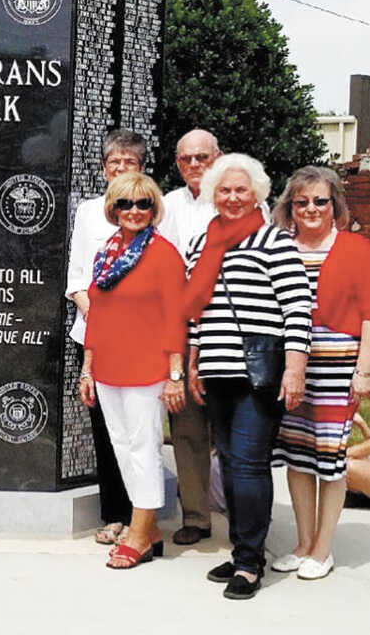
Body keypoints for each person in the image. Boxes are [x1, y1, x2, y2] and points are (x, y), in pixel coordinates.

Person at [185, 153, 311, 600]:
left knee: (248, 465)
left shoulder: (274, 241)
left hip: (259, 373)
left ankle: (251, 563)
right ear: (212, 194)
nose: (233, 197)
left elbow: (298, 306)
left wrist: (295, 368)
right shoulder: (202, 244)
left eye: (241, 190)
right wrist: (194, 362)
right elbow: (195, 313)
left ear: (256, 193)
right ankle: (243, 548)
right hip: (217, 369)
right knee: (230, 464)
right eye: (224, 190)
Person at [78, 172, 186, 568]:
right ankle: (150, 527)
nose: (134, 211)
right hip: (107, 365)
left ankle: (139, 532)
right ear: (113, 209)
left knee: (144, 449)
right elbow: (96, 316)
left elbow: (176, 317)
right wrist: (87, 368)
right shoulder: (106, 253)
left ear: (154, 208)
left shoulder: (164, 254)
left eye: (143, 204)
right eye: (125, 204)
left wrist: (175, 374)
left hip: (147, 367)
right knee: (123, 448)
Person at [270, 166, 370, 580]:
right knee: (297, 454)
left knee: (330, 459)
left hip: (338, 368)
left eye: (320, 201)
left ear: (334, 207)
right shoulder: (279, 247)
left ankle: (323, 548)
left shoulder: (355, 248)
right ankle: (303, 542)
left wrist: (363, 372)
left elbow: (369, 317)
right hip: (290, 371)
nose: (310, 209)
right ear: (289, 207)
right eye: (301, 201)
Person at [65, 129, 146, 544]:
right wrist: (100, 314)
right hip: (95, 336)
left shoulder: (150, 210)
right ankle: (113, 514)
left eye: (128, 162)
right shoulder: (88, 212)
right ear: (102, 169)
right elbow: (77, 278)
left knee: (139, 430)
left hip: (141, 340)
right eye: (113, 162)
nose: (119, 168)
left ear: (142, 169)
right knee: (106, 429)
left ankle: (140, 517)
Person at [161, 129, 222, 546]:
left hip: (228, 328)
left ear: (218, 157)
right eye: (186, 159)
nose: (194, 165)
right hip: (179, 325)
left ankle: (245, 513)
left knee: (235, 426)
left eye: (202, 157)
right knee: (187, 426)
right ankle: (197, 515)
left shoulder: (240, 199)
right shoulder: (166, 205)